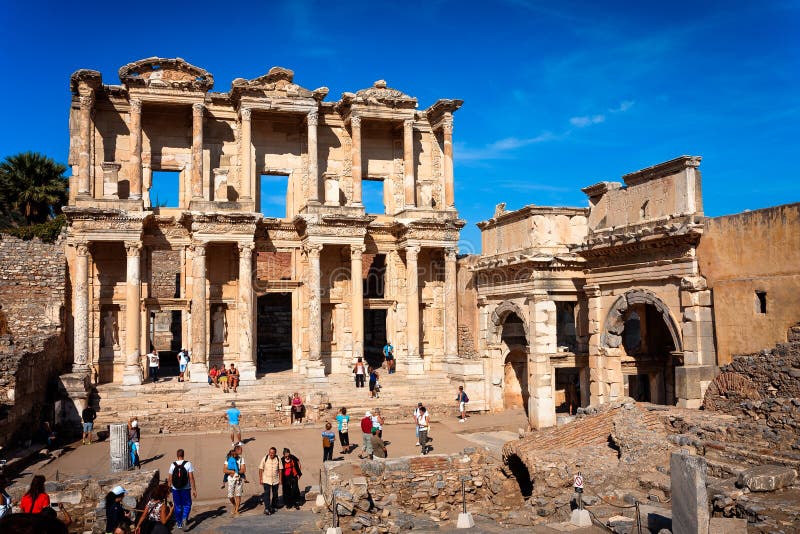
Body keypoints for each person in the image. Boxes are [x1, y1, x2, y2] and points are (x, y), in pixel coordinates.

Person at [168, 448, 197, 530]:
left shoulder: (172, 465)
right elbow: (191, 478)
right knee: (187, 504)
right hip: (186, 488)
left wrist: (168, 488)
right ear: (183, 455)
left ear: (177, 456)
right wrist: (194, 489)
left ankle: (179, 523)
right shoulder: (188, 464)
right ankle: (184, 518)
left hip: (175, 489)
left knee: (177, 505)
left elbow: (170, 478)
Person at [223, 445, 246, 516]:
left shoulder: (241, 459)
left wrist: (236, 472)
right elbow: (224, 470)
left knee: (238, 495)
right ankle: (235, 505)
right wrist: (232, 472)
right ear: (236, 450)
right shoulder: (228, 458)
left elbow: (243, 470)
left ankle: (236, 510)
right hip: (231, 479)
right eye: (240, 450)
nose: (241, 451)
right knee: (230, 496)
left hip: (239, 478)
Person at [258, 447, 280, 515]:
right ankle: (267, 508)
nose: (271, 454)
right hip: (266, 479)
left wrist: (281, 479)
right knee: (267, 494)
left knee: (275, 493)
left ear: (275, 453)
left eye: (272, 453)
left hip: (275, 479)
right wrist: (261, 479)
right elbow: (260, 469)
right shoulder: (265, 458)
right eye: (270, 453)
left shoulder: (278, 458)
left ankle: (274, 506)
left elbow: (280, 469)